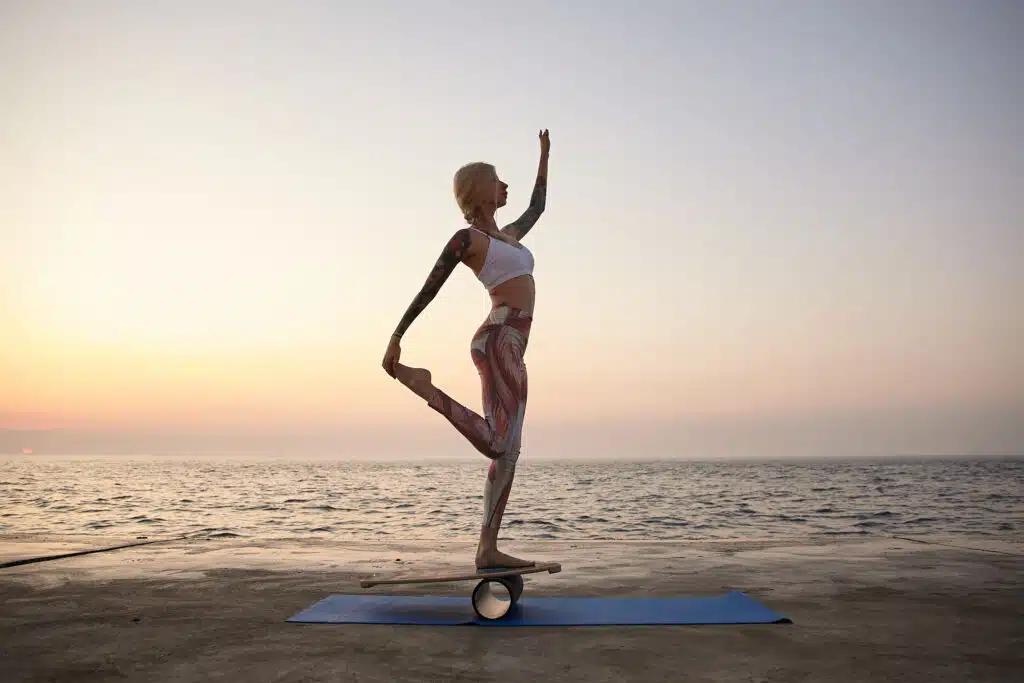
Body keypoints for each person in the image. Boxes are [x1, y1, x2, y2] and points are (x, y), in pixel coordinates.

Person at [381, 129, 550, 570]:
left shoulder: (509, 236)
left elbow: (538, 207)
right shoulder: (468, 240)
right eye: (498, 180)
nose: (504, 186)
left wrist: (544, 155)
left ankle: (487, 549)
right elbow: (430, 285)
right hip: (498, 338)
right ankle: (425, 388)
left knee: (509, 449)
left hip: (512, 342)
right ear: (481, 192)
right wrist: (398, 335)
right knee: (500, 444)